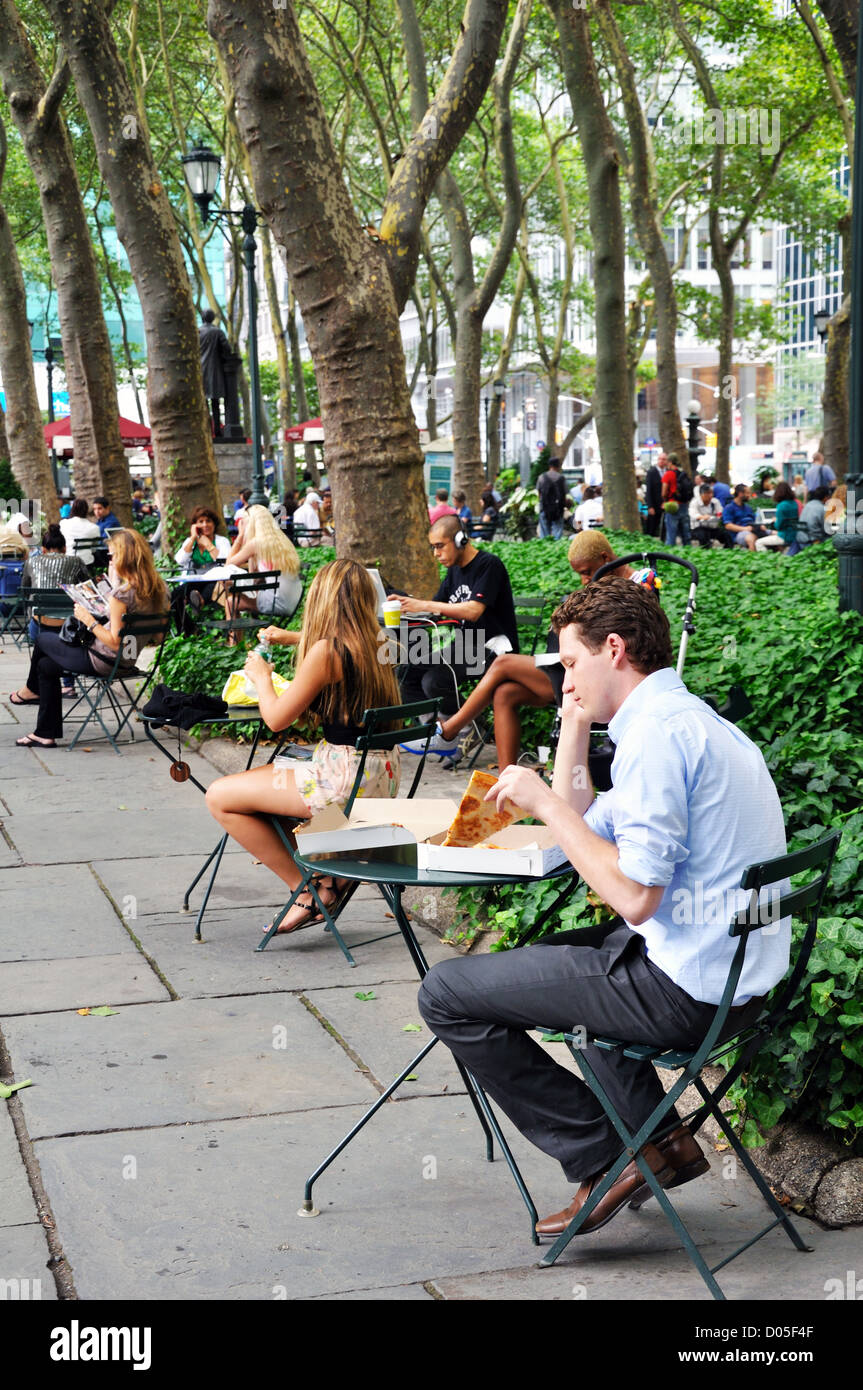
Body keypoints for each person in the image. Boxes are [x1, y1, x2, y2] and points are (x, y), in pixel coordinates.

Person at [417, 578, 789, 1239]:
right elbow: (585, 815)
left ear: (612, 648)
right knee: (567, 960)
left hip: (688, 992)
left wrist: (545, 806)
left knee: (445, 991)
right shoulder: (688, 721)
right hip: (736, 981)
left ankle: (607, 1154)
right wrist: (574, 720)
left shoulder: (656, 741)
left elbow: (634, 898)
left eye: (569, 664)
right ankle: (665, 1142)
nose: (563, 678)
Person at [205, 560, 402, 934]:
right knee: (264, 782)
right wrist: (294, 638)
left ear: (322, 599)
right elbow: (342, 652)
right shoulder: (384, 641)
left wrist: (261, 677)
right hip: (380, 779)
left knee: (220, 796)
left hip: (341, 783)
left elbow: (277, 719)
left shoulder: (326, 653)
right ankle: (328, 877)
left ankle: (308, 890)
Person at [400, 530, 631, 764]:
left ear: (605, 558)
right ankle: (506, 782)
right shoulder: (602, 584)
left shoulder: (635, 586)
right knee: (504, 694)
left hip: (582, 675)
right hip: (561, 669)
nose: (584, 580)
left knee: (502, 663)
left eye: (587, 572)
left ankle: (449, 731)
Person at [10, 529, 169, 748]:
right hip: (127, 662)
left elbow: (113, 641)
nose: (109, 560)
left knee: (43, 639)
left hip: (103, 661)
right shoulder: (159, 589)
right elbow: (159, 637)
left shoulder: (122, 595)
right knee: (46, 666)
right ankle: (44, 733)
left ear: (124, 557)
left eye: (112, 556)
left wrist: (88, 619)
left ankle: (31, 691)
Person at [390, 513, 519, 725]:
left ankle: (467, 726)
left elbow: (473, 611)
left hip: (495, 649)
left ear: (461, 540)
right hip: (466, 648)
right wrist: (405, 606)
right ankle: (436, 728)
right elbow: (436, 610)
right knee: (407, 672)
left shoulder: (489, 565)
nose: (435, 554)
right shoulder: (454, 572)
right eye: (433, 547)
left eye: (440, 546)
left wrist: (425, 605)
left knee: (434, 681)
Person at [22, 524, 89, 695]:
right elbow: (87, 588)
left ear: (43, 549)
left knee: (41, 634)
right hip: (69, 627)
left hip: (39, 625)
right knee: (69, 628)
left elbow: (25, 589)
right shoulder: (76, 562)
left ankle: (38, 685)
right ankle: (68, 684)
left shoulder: (32, 561)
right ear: (65, 548)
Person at [218, 504, 303, 629]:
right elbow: (256, 578)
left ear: (250, 523)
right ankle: (255, 633)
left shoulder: (256, 543)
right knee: (251, 589)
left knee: (231, 602)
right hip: (294, 600)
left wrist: (240, 536)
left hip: (278, 601)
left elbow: (228, 565)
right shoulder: (282, 540)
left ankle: (234, 644)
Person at [721, 484, 769, 551]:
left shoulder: (748, 508)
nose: (749, 495)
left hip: (754, 529)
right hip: (739, 533)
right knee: (751, 538)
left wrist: (760, 526)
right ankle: (753, 559)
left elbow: (755, 521)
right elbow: (728, 526)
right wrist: (745, 529)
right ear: (740, 494)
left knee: (775, 535)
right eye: (748, 493)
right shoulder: (729, 508)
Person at [788, 485, 830, 556]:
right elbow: (827, 530)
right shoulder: (822, 509)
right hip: (813, 542)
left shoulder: (808, 505)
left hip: (800, 539)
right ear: (826, 497)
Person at [60, 498, 102, 567]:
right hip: (87, 563)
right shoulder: (94, 528)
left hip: (67, 562)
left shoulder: (63, 524)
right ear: (86, 510)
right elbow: (94, 549)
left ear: (72, 509)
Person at [661, 454, 692, 547]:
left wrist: (664, 500)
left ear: (670, 462)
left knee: (671, 534)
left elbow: (663, 492)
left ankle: (670, 555)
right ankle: (688, 553)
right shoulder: (683, 473)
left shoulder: (668, 474)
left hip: (672, 506)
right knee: (686, 533)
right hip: (684, 505)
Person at [537, 457, 567, 540]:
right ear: (558, 466)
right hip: (558, 509)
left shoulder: (541, 477)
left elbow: (539, 494)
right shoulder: (561, 478)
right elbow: (565, 494)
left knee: (544, 534)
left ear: (549, 465)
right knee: (557, 532)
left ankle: (544, 547)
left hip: (544, 508)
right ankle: (556, 548)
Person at [772, 481, 799, 550]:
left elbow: (778, 526)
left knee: (759, 542)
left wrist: (775, 521)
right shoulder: (794, 503)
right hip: (794, 535)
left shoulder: (781, 505)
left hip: (785, 536)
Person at [643, 458, 663, 537]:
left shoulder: (668, 471)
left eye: (664, 459)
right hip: (654, 505)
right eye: (660, 459)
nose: (662, 461)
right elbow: (649, 491)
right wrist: (650, 506)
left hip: (664, 505)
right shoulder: (651, 472)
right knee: (651, 527)